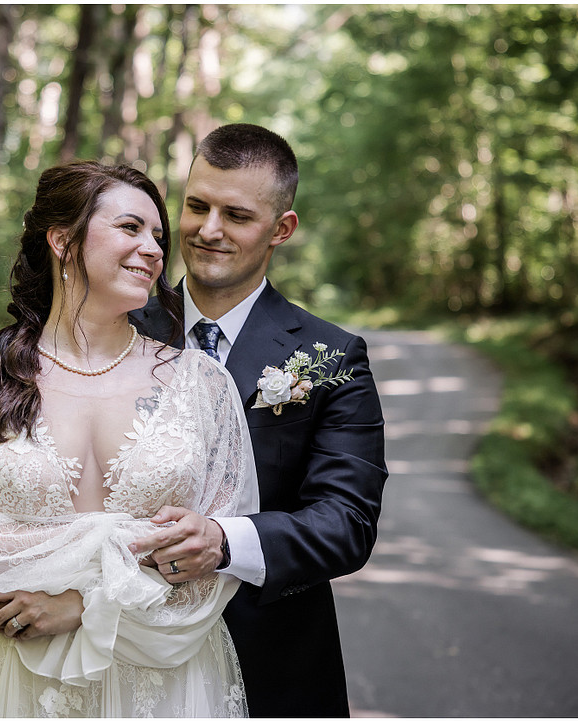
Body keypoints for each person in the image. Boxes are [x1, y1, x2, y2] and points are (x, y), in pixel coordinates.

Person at [0, 161, 259, 717]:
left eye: (157, 235)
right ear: (62, 241)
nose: (153, 249)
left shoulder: (202, 385)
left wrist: (82, 603)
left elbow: (214, 552)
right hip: (16, 667)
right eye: (130, 228)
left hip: (164, 671)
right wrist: (118, 554)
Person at [128, 123, 388, 717]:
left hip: (269, 661)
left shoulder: (329, 358)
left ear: (281, 229)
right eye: (197, 206)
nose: (208, 230)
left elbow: (346, 522)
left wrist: (223, 542)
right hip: (115, 654)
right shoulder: (114, 328)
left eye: (236, 215)